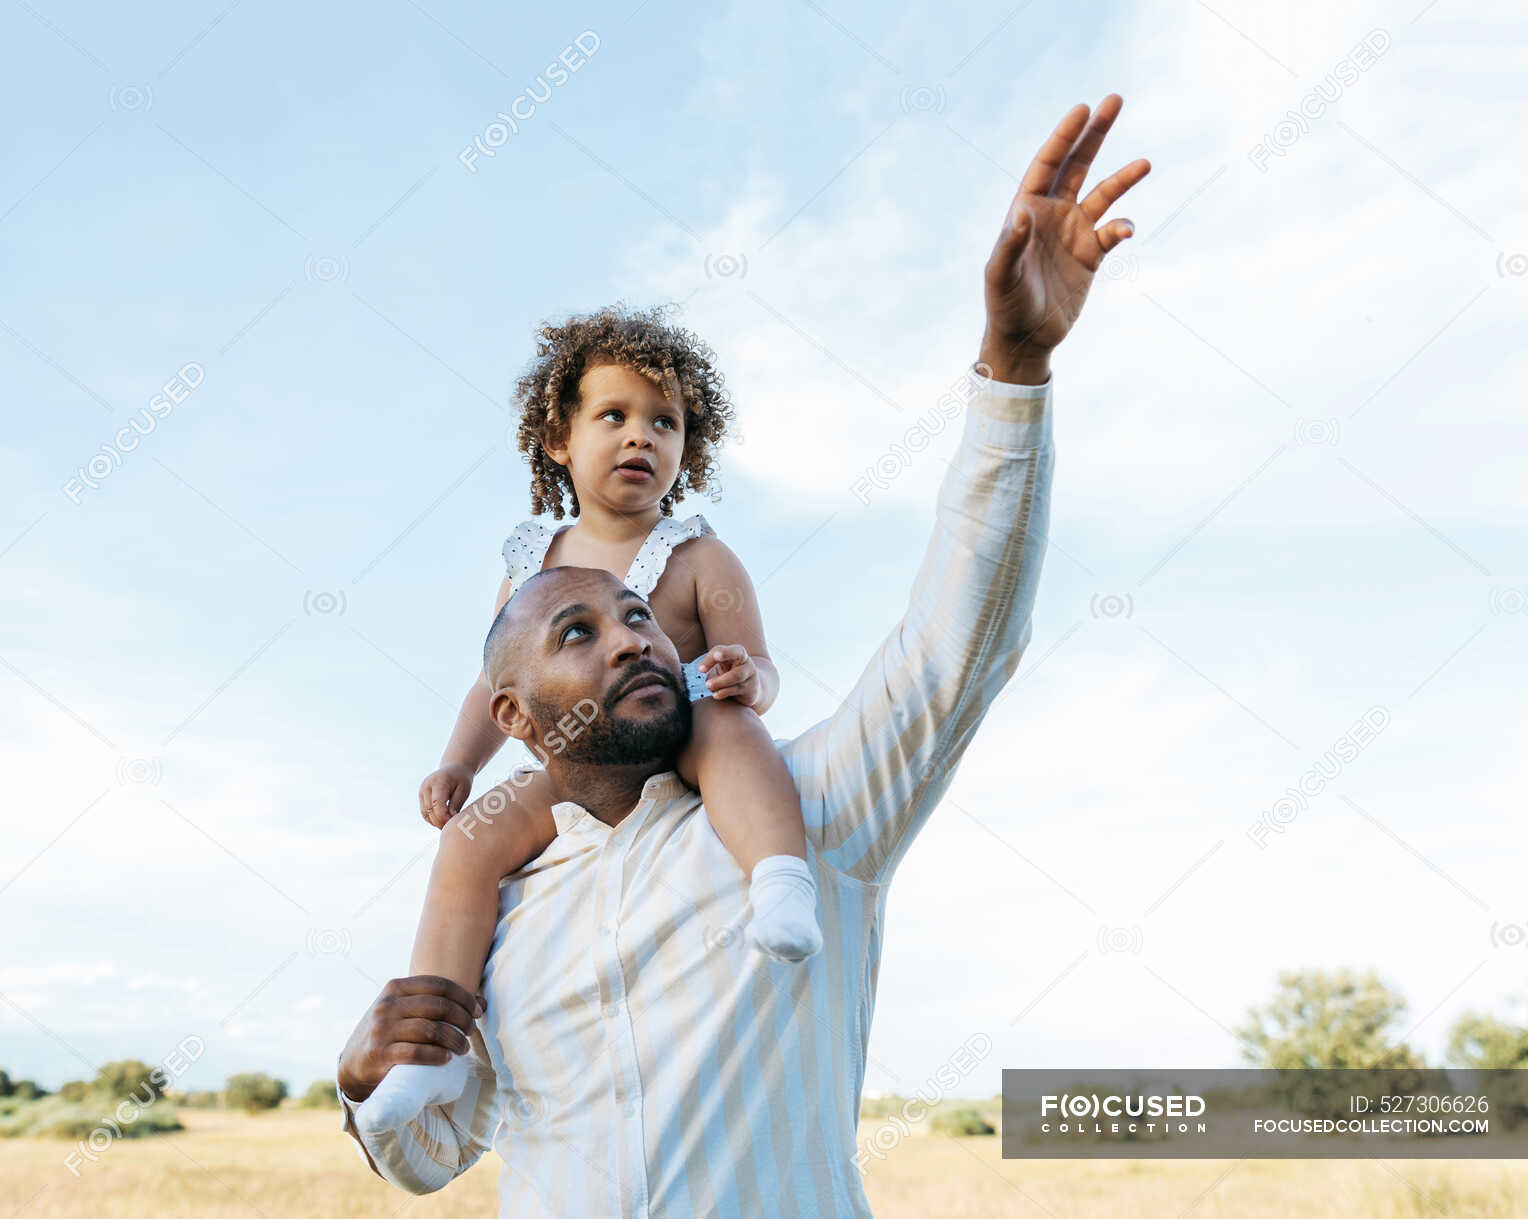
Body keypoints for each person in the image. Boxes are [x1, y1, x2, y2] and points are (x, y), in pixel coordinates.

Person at [337, 94, 1149, 1217]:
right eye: (580, 629)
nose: (635, 632)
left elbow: (959, 635)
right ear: (517, 714)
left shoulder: (815, 814)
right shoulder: (507, 900)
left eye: (640, 618)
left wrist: (1011, 365)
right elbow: (425, 1158)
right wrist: (367, 1080)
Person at [356, 302, 832, 1135]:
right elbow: (491, 683)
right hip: (577, 756)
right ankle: (432, 1055)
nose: (641, 436)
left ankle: (781, 883)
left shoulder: (700, 555)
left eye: (666, 422)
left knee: (730, 729)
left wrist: (740, 677)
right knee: (470, 842)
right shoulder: (533, 565)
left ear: (690, 448)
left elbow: (759, 663)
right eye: (613, 415)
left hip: (681, 734)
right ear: (558, 441)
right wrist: (461, 763)